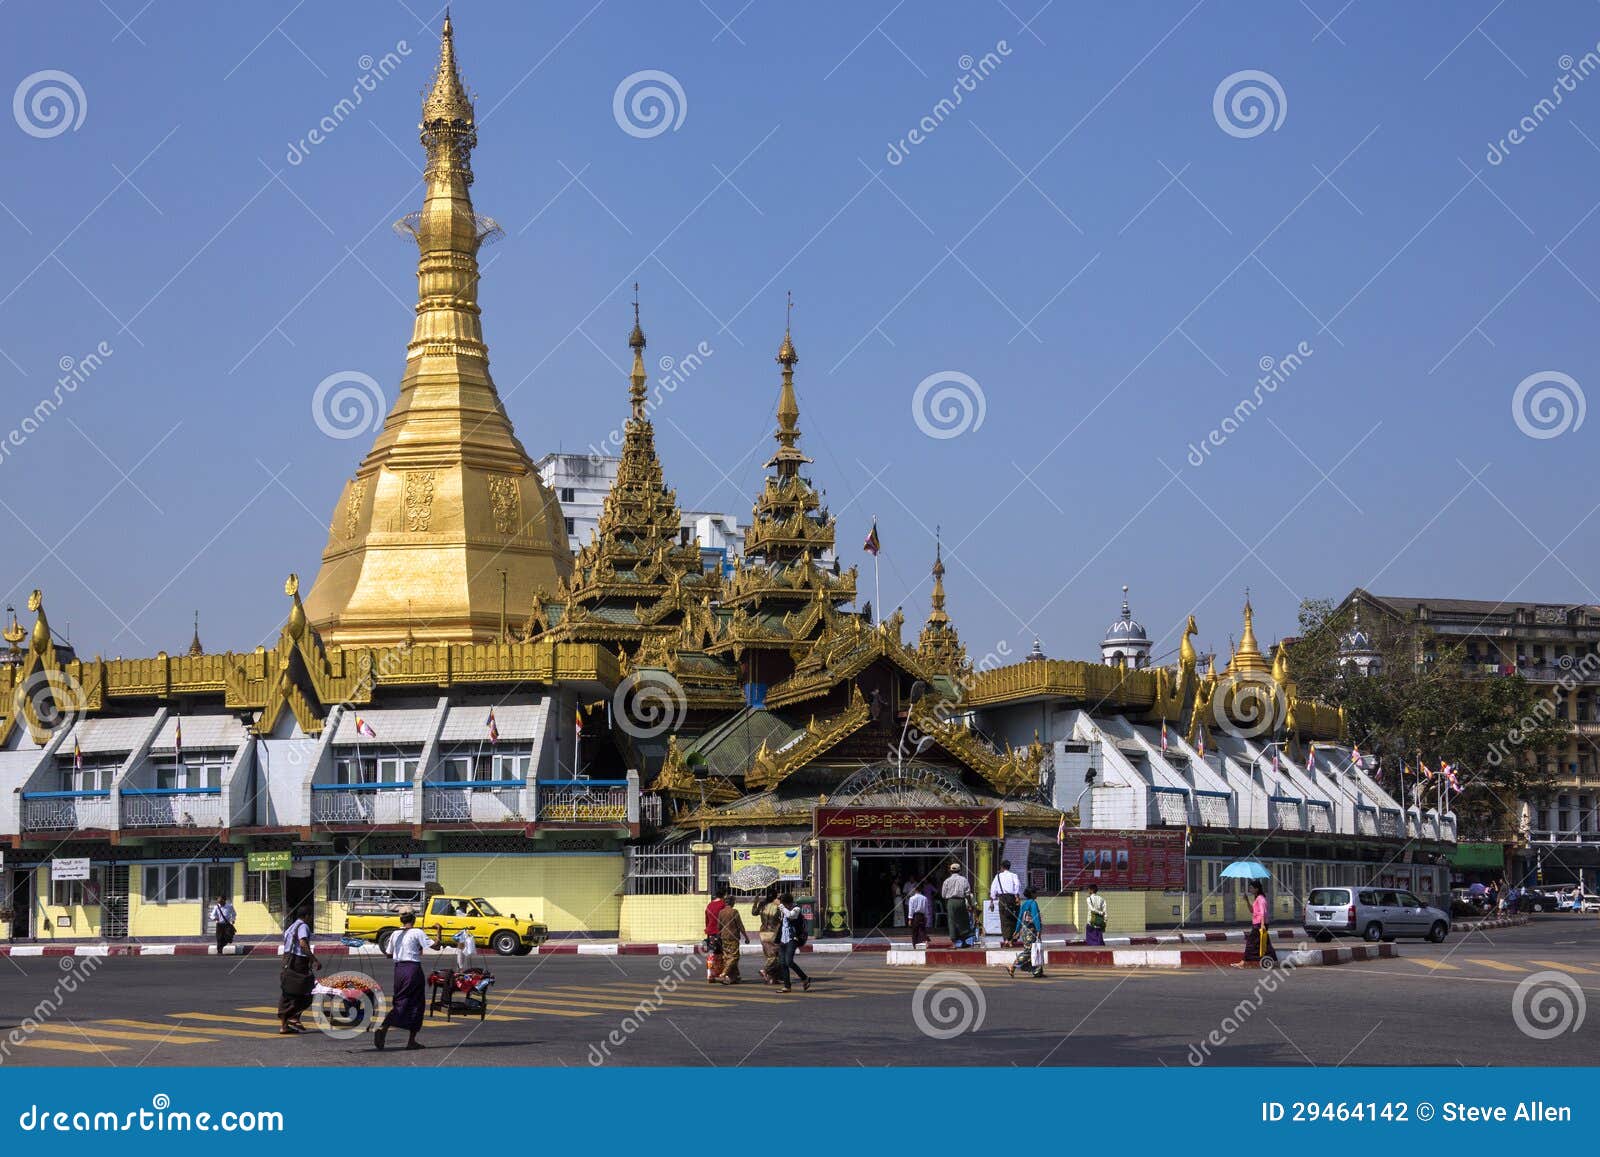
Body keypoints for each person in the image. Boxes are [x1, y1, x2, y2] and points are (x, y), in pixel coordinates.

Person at [374, 907, 430, 1050]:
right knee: (417, 1003)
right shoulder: (417, 932)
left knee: (400, 1001)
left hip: (399, 970)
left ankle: (385, 1027)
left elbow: (388, 954)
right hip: (412, 970)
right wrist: (439, 932)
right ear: (414, 918)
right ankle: (407, 1039)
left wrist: (403, 951)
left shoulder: (395, 934)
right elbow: (435, 946)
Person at [277, 905, 320, 1035]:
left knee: (287, 992)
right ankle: (294, 1017)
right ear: (306, 916)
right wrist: (314, 959)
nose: (311, 919)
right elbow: (303, 943)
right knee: (306, 991)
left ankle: (285, 1025)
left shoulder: (290, 927)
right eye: (310, 916)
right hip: (298, 962)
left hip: (287, 961)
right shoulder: (303, 926)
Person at [773, 892, 811, 993]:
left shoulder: (796, 909)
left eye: (784, 903)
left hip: (792, 939)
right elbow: (778, 920)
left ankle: (804, 978)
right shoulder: (782, 910)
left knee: (789, 961)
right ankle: (787, 986)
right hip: (782, 939)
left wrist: (781, 906)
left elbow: (790, 916)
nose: (783, 905)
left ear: (789, 903)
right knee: (782, 963)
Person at [1238, 881, 1278, 966]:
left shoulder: (1261, 898)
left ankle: (1243, 962)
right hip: (1258, 924)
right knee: (1266, 944)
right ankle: (1274, 960)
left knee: (1250, 942)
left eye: (1251, 888)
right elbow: (1252, 910)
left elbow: (1263, 912)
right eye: (1250, 888)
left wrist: (1262, 925)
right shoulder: (1257, 898)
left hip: (1260, 924)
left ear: (1257, 889)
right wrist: (1247, 900)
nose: (1250, 889)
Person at [1008, 888, 1045, 978]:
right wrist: (1039, 930)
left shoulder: (1024, 904)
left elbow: (1020, 918)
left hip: (1025, 930)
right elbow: (1036, 918)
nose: (1037, 893)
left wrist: (1017, 930)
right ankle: (1012, 966)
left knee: (1034, 950)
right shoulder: (1033, 903)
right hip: (1031, 931)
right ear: (1032, 894)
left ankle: (1037, 971)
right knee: (1029, 951)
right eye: (1035, 891)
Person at [941, 862, 975, 947]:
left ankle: (953, 943)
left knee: (952, 921)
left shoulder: (947, 881)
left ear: (950, 871)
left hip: (951, 902)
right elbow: (967, 894)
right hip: (961, 901)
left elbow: (943, 895)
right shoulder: (963, 880)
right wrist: (970, 905)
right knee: (963, 921)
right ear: (960, 870)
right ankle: (964, 941)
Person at [716, 896, 750, 983]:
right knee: (734, 956)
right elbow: (740, 926)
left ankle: (734, 976)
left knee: (727, 957)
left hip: (724, 937)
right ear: (732, 902)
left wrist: (718, 936)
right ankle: (723, 974)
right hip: (733, 937)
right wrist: (746, 936)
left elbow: (719, 927)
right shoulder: (734, 912)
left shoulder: (721, 912)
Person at [990, 858, 1023, 946]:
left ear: (1002, 867)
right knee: (1013, 918)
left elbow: (993, 889)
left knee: (1004, 919)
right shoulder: (1014, 875)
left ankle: (1006, 940)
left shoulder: (998, 876)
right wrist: (1016, 896)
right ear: (1009, 867)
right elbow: (1017, 885)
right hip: (1012, 898)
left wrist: (992, 901)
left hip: (1002, 899)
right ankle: (1011, 940)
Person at [755, 886, 782, 984]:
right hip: (773, 933)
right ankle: (765, 970)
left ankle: (772, 979)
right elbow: (782, 918)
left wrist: (755, 901)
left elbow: (754, 913)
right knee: (775, 956)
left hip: (763, 933)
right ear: (775, 896)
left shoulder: (762, 904)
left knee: (768, 956)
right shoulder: (777, 905)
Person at [704, 888, 728, 983]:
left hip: (710, 933)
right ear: (724, 895)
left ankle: (710, 974)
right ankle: (722, 974)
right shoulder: (723, 905)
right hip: (720, 933)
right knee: (723, 954)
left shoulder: (709, 905)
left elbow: (707, 920)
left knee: (711, 954)